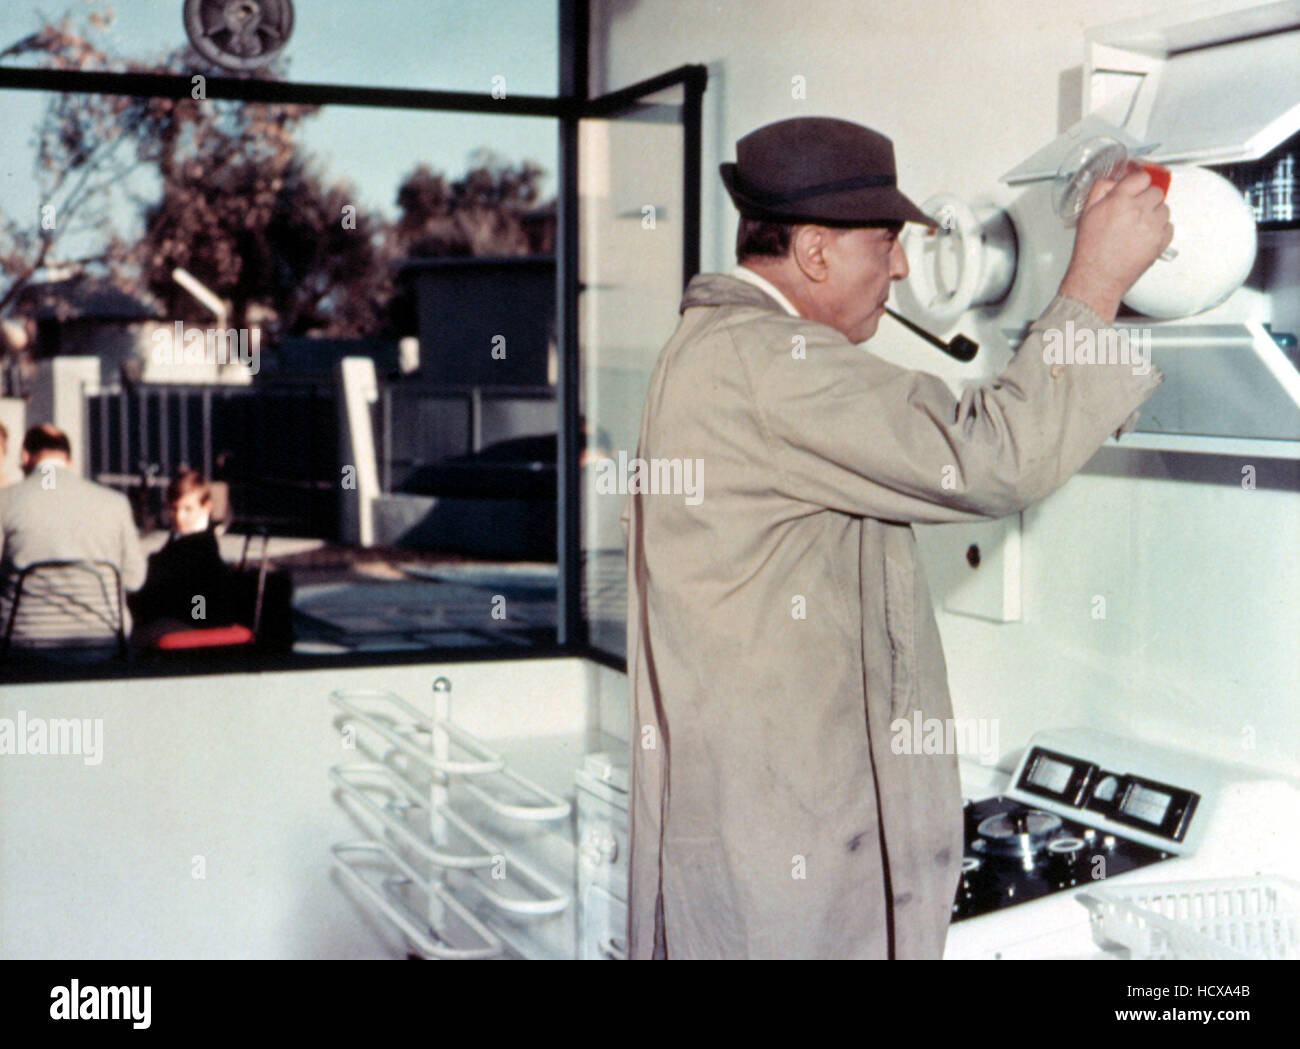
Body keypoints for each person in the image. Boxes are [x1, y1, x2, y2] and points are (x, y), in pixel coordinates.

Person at [622, 117, 1172, 960]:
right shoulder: (771, 363)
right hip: (784, 879)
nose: (904, 265)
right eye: (887, 242)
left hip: (755, 846)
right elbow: (991, 458)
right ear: (813, 250)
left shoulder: (715, 350)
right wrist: (1093, 280)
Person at [0, 423, 146, 645]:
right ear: (69, 460)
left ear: (25, 455)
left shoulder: (6, 502)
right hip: (103, 644)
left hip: (23, 649)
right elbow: (135, 580)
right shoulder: (115, 504)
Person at [128, 469, 236, 649]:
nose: (179, 517)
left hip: (190, 623)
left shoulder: (200, 546)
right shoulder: (182, 539)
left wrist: (197, 624)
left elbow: (200, 599)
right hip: (182, 617)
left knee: (129, 638)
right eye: (173, 509)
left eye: (188, 509)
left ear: (206, 507)